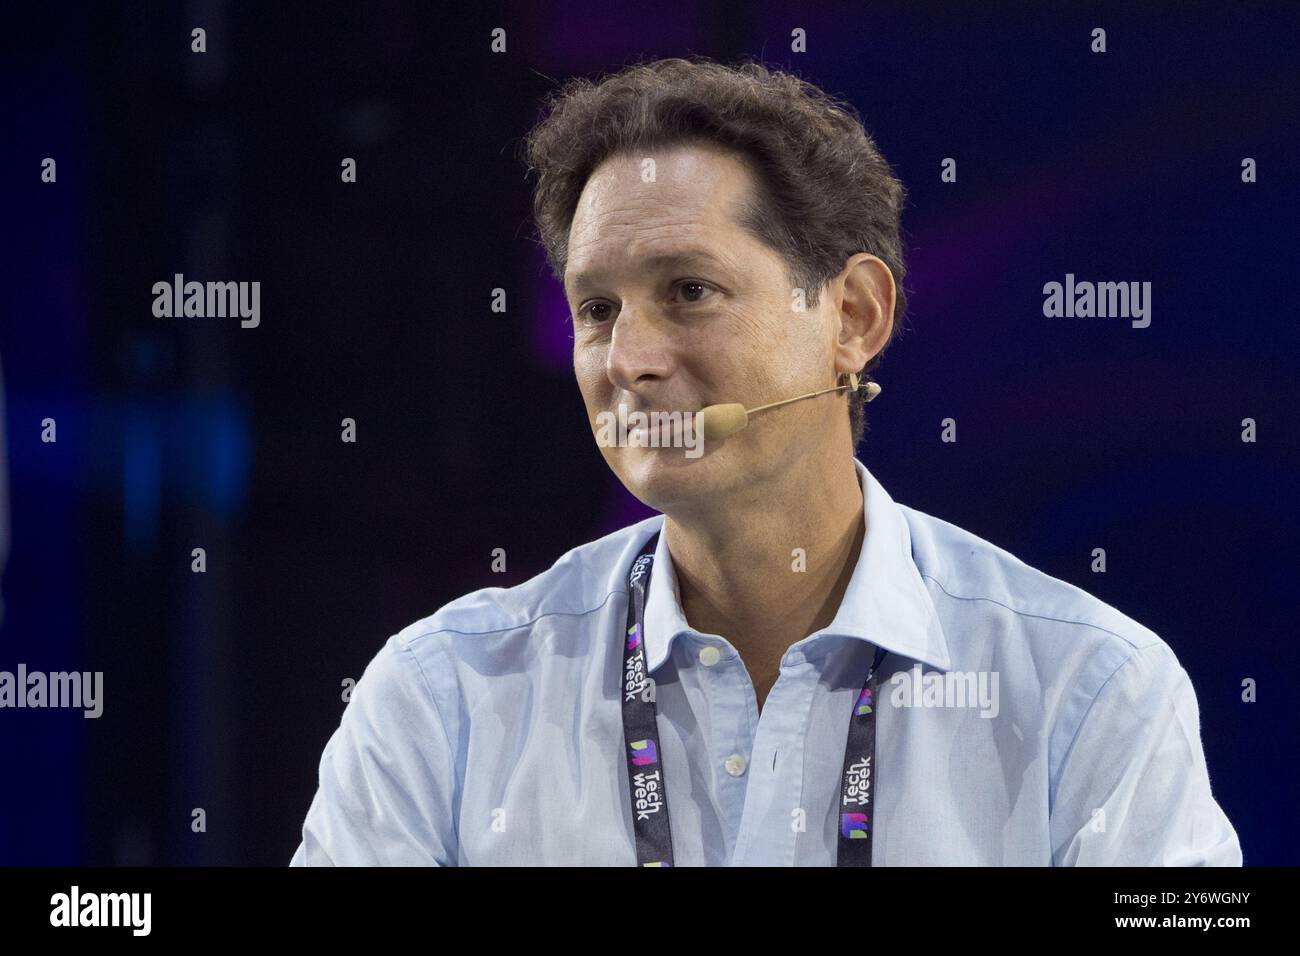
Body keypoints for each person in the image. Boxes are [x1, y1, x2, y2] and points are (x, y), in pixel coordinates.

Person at [290, 57, 1241, 866]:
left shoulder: (1089, 689)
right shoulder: (442, 695)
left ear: (854, 317)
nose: (629, 361)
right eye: (597, 310)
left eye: (689, 290)